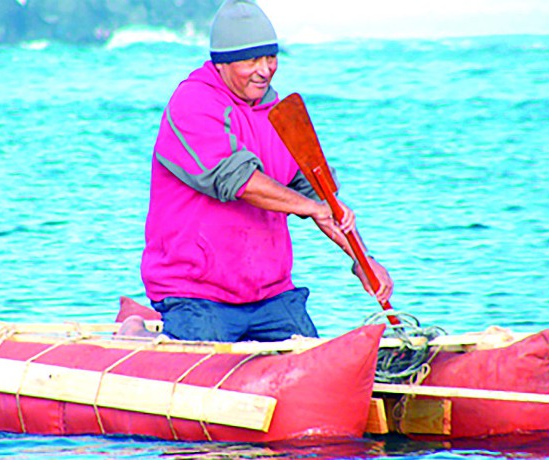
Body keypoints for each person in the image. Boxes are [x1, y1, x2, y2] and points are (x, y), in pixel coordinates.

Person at [122, 0, 392, 342]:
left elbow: (323, 201)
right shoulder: (192, 104)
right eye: (251, 60)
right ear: (221, 63)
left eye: (271, 58)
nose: (264, 69)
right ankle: (135, 330)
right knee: (205, 373)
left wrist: (363, 260)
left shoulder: (280, 115)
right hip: (198, 294)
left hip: (271, 295)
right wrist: (311, 207)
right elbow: (239, 181)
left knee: (305, 357)